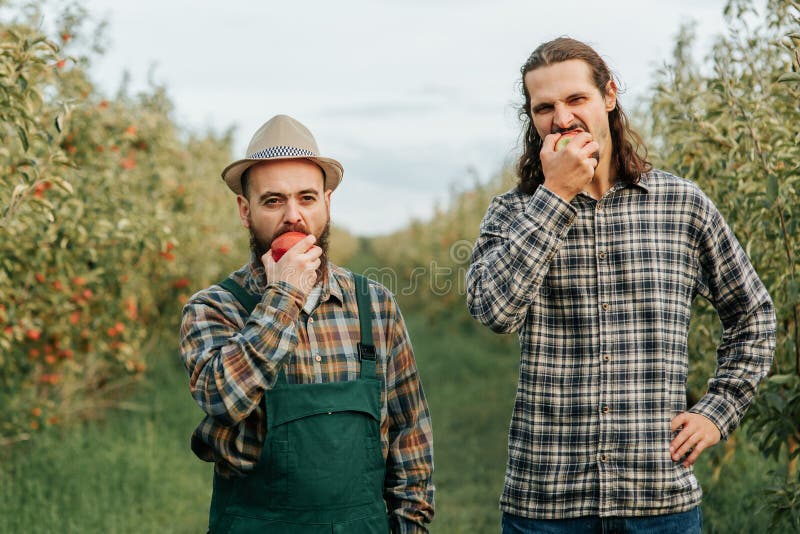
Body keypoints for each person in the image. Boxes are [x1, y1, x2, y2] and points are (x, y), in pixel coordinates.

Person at [465, 37, 775, 533]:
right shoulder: (514, 212)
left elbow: (753, 316)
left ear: (609, 96)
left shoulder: (681, 205)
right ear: (531, 118)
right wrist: (556, 196)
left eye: (575, 99)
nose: (561, 119)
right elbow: (495, 312)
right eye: (544, 108)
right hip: (546, 505)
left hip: (658, 501)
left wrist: (718, 411)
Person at [179, 114, 434, 533]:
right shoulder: (213, 308)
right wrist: (285, 295)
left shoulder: (375, 306)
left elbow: (411, 431)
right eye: (273, 200)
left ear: (328, 203)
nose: (293, 215)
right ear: (246, 211)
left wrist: (411, 525)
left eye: (307, 198)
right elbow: (223, 399)